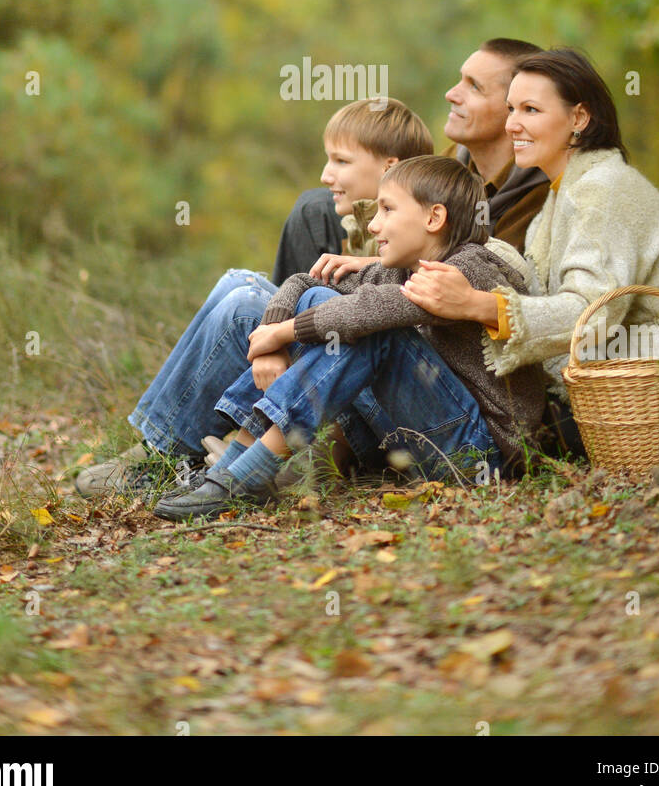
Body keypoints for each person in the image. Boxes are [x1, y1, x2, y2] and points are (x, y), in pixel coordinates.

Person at [74, 98, 434, 499]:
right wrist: (273, 341)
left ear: (389, 167)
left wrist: (279, 337)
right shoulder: (360, 227)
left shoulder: (413, 237)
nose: (326, 173)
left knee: (243, 301)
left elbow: (377, 324)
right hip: (345, 388)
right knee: (238, 283)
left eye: (341, 161)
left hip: (373, 418)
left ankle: (161, 457)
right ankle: (166, 454)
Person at [154, 156, 546, 521]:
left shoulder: (466, 269)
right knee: (319, 299)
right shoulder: (404, 268)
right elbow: (306, 280)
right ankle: (232, 472)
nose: (373, 225)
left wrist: (283, 331)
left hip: (478, 455)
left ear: (434, 217)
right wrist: (268, 337)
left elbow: (372, 311)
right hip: (420, 434)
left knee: (373, 333)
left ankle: (244, 475)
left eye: (388, 210)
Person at [400, 49, 659, 446]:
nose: (513, 124)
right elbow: (530, 283)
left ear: (579, 118)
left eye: (531, 110)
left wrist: (475, 305)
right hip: (607, 387)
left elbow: (591, 314)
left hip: (657, 404)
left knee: (422, 378)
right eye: (511, 109)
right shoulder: (562, 194)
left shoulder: (605, 189)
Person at [271, 38, 549, 282]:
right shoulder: (451, 160)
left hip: (436, 311)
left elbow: (482, 273)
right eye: (460, 80)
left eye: (474, 87)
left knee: (242, 304)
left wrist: (367, 264)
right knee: (315, 208)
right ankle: (284, 318)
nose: (451, 94)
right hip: (401, 269)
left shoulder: (537, 195)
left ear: (514, 105)